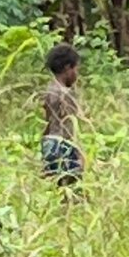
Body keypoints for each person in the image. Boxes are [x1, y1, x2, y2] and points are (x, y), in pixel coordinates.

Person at [41, 42, 84, 188]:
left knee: (56, 188)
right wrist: (78, 153)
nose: (77, 74)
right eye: (76, 69)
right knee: (72, 189)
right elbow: (68, 126)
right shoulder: (66, 94)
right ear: (67, 68)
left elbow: (48, 123)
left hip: (50, 143)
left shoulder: (49, 90)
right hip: (64, 146)